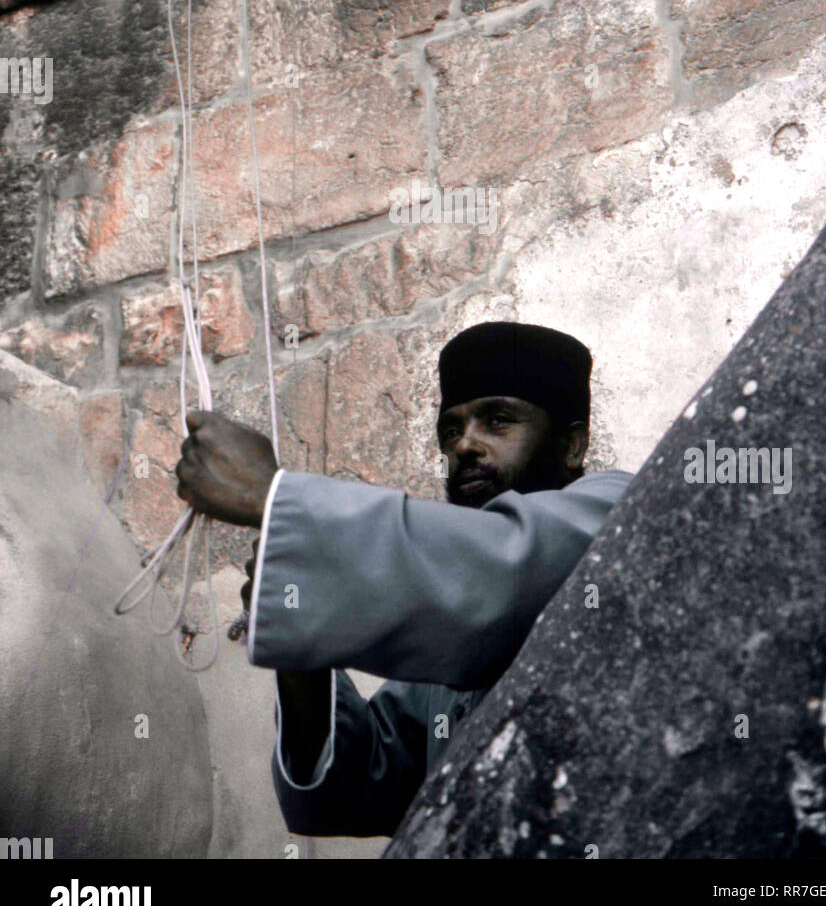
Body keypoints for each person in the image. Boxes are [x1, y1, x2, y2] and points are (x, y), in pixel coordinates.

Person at [175, 321, 632, 837]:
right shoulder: (449, 648)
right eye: (451, 431)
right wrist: (296, 625)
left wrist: (274, 497)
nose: (465, 446)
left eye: (499, 420)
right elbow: (347, 794)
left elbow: (504, 575)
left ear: (572, 446)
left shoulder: (618, 514)